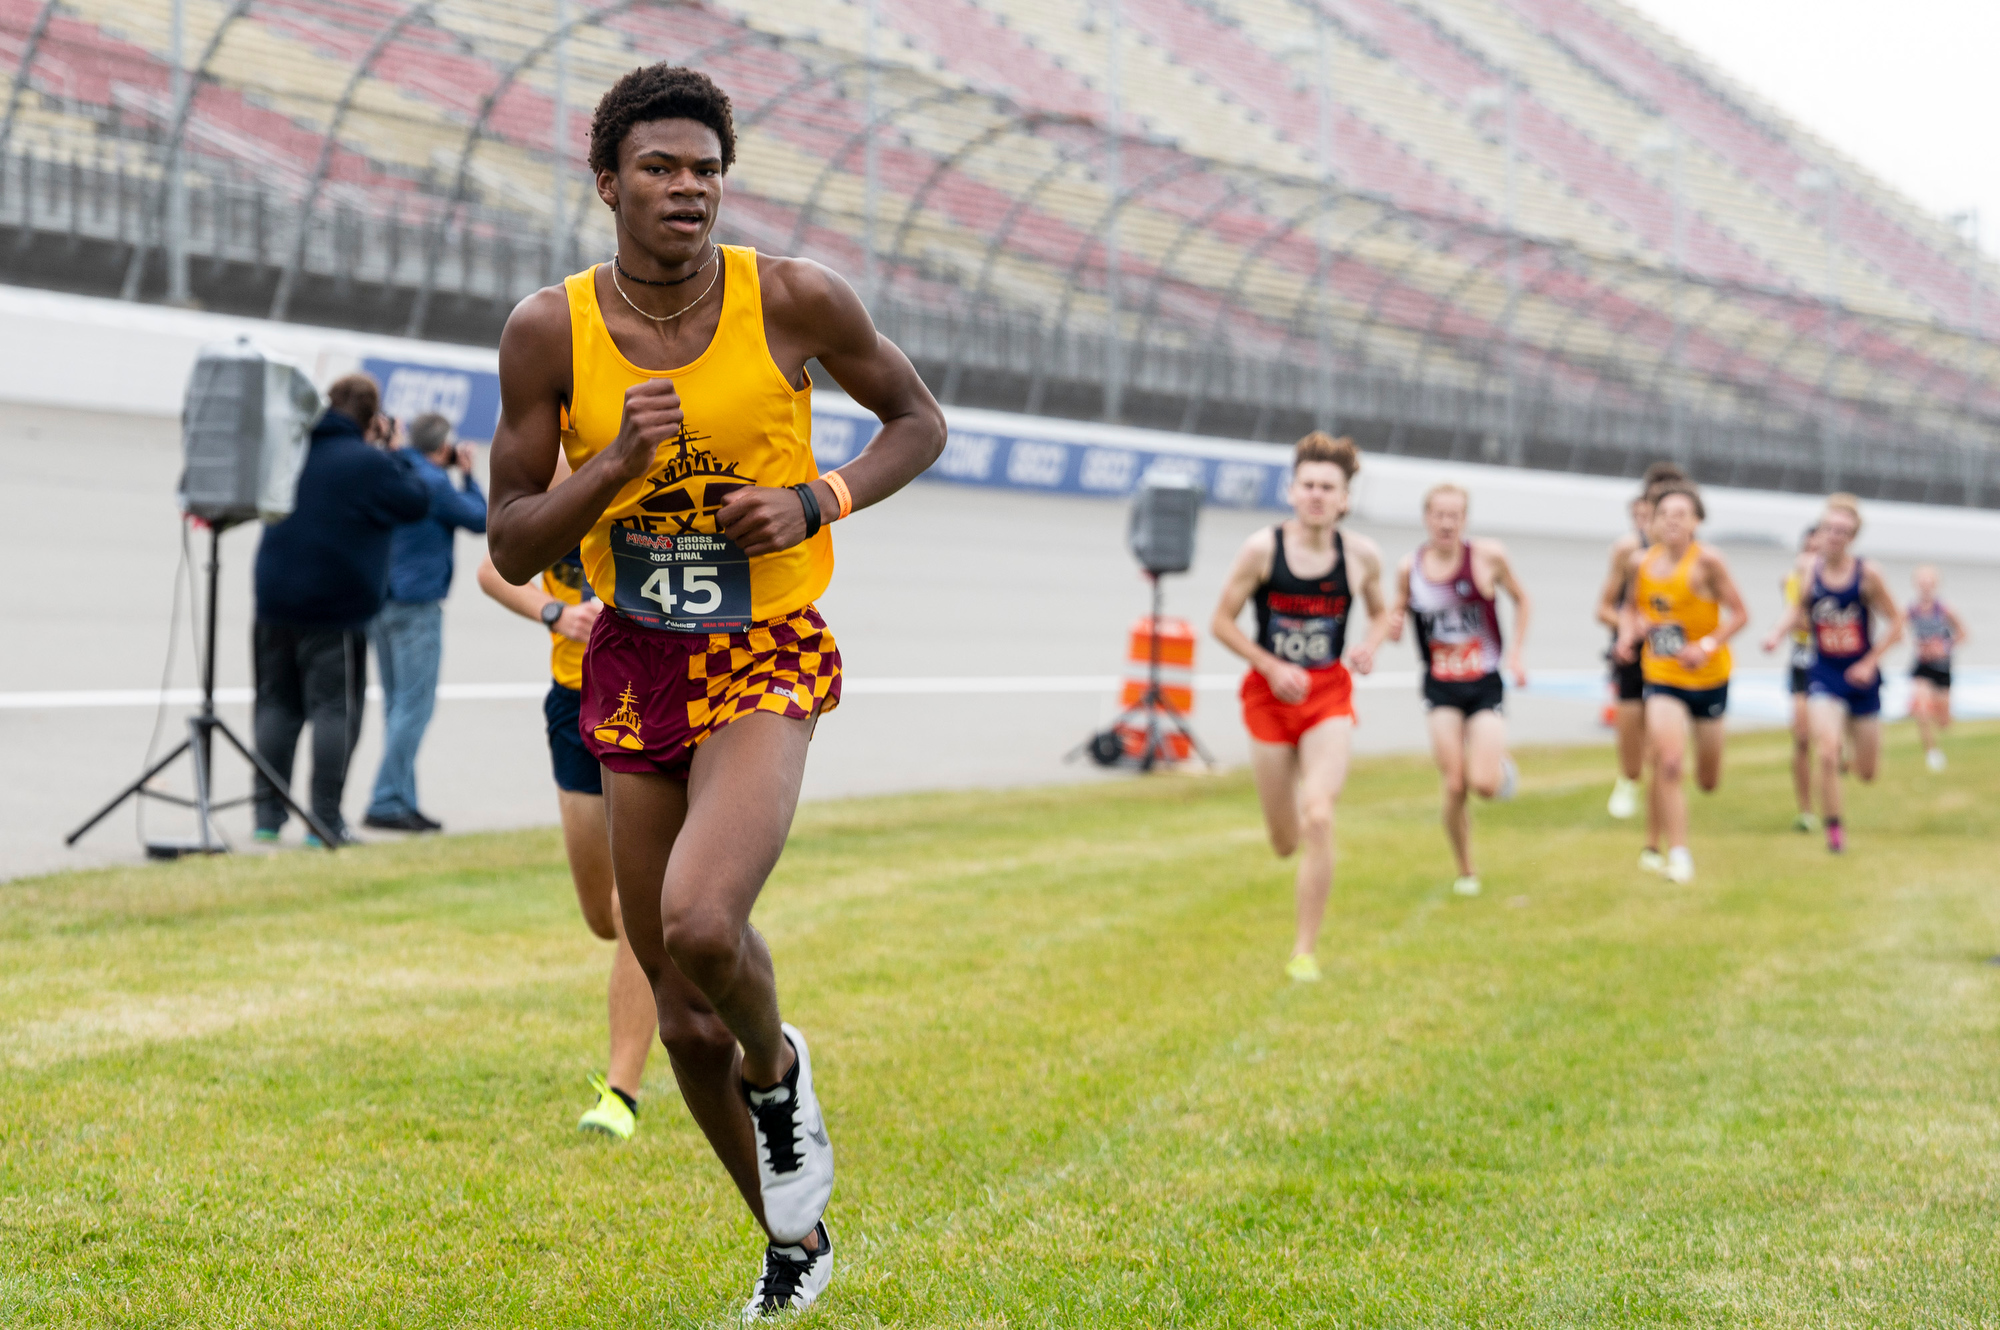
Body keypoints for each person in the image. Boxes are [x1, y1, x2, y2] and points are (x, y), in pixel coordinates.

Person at [484, 65, 945, 1318]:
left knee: (697, 921)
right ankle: (792, 1246)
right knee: (676, 1011)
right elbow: (513, 541)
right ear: (606, 184)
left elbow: (916, 420)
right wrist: (613, 469)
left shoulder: (790, 297)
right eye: (659, 168)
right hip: (633, 658)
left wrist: (813, 497)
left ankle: (779, 1066)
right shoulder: (547, 329)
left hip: (762, 646)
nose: (687, 189)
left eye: (705, 170)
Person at [476, 510, 657, 1140]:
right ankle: (694, 953)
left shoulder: (649, 472)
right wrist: (554, 614)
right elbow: (490, 570)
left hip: (646, 701)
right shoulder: (556, 473)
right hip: (571, 701)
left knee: (634, 903)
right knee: (602, 915)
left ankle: (621, 1095)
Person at [1211, 433, 1385, 984]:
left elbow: (1382, 614)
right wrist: (1268, 663)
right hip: (1269, 698)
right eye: (1307, 485)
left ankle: (1304, 950)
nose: (1316, 495)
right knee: (1285, 840)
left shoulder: (1360, 556)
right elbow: (1220, 621)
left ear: (1344, 499)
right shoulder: (1262, 550)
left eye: (1327, 487)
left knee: (1319, 814)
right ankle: (1288, 837)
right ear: (1291, 490)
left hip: (1327, 695)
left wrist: (1369, 645)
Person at [252, 373, 428, 847]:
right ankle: (324, 820)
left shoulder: (296, 447)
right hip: (335, 607)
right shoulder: (369, 463)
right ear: (373, 418)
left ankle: (267, 818)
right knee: (335, 709)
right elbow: (416, 501)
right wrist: (394, 449)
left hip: (273, 597)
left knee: (276, 704)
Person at [1359, 483, 1531, 898]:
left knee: (1483, 786)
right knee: (1454, 784)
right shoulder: (1410, 568)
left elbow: (1522, 601)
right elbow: (1395, 614)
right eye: (1439, 515)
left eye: (1455, 516)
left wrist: (1516, 655)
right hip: (1441, 685)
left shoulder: (1488, 558)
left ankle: (1498, 769)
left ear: (1465, 520)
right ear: (1426, 518)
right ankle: (1466, 868)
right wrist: (1374, 644)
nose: (1446, 523)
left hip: (1485, 682)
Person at [363, 412, 488, 833]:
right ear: (441, 448)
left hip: (381, 601)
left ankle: (402, 799)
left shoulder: (395, 471)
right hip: (416, 605)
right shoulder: (434, 484)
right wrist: (468, 477)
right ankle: (385, 800)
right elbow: (480, 518)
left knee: (398, 709)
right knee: (414, 708)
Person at [1616, 484, 1746, 885]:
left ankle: (1674, 842)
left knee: (1707, 780)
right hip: (1663, 675)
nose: (1672, 521)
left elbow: (1739, 614)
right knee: (1669, 761)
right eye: (1664, 514)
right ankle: (1679, 854)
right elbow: (1633, 607)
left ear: (1696, 522)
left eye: (1681, 514)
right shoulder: (1641, 563)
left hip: (1708, 678)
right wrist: (1628, 632)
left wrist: (1705, 646)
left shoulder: (1707, 563)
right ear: (1652, 522)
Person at [1763, 494, 1903, 854]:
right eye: (1829, 529)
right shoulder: (1810, 569)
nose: (1834, 536)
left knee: (1867, 772)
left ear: (1853, 536)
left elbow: (1897, 622)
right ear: (1820, 531)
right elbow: (1799, 608)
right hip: (1823, 670)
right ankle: (1834, 829)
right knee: (1825, 750)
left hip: (1860, 674)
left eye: (1842, 531)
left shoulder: (1867, 574)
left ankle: (1852, 762)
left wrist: (1870, 661)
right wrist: (1777, 634)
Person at [1595, 464, 1683, 821]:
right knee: (1631, 720)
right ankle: (1629, 778)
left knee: (1663, 728)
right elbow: (1603, 608)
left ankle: (1661, 787)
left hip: (1673, 651)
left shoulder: (1697, 555)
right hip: (1632, 648)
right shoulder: (1629, 550)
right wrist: (1631, 627)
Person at [1781, 526, 1822, 831]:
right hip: (1802, 660)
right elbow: (1800, 618)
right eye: (1807, 551)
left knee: (1830, 743)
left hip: (1835, 665)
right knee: (1802, 737)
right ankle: (1806, 810)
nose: (1811, 558)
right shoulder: (1792, 583)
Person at [1906, 565, 1967, 773]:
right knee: (1921, 709)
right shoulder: (1911, 610)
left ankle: (1940, 719)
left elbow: (1963, 634)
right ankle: (1932, 753)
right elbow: (1898, 627)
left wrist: (1944, 648)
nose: (1925, 588)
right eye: (1921, 583)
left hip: (1942, 667)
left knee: (1944, 722)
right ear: (1916, 585)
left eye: (1929, 583)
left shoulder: (1945, 609)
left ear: (1935, 585)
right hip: (1922, 666)